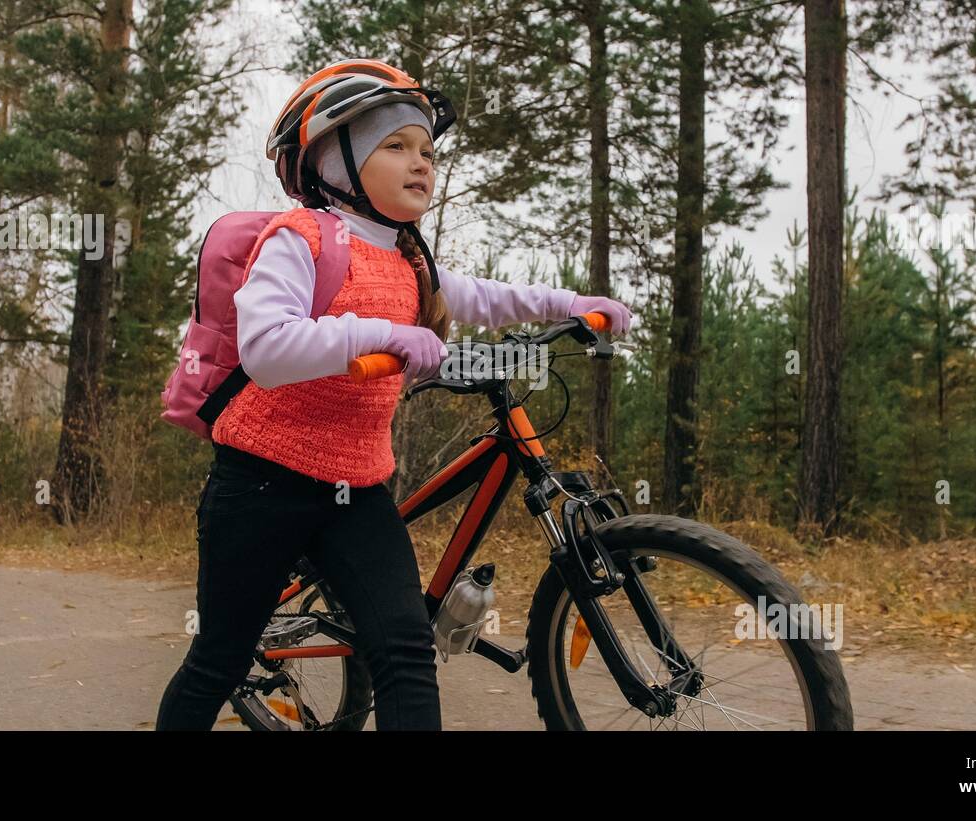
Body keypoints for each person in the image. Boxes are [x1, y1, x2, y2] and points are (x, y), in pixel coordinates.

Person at [155, 58, 632, 731]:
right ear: (333, 162)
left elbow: (486, 296)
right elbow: (266, 348)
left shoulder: (411, 257)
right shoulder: (301, 240)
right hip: (260, 486)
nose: (422, 163)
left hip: (355, 491)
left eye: (428, 150)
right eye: (397, 146)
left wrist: (574, 303)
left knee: (405, 649)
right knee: (222, 658)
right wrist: (382, 334)